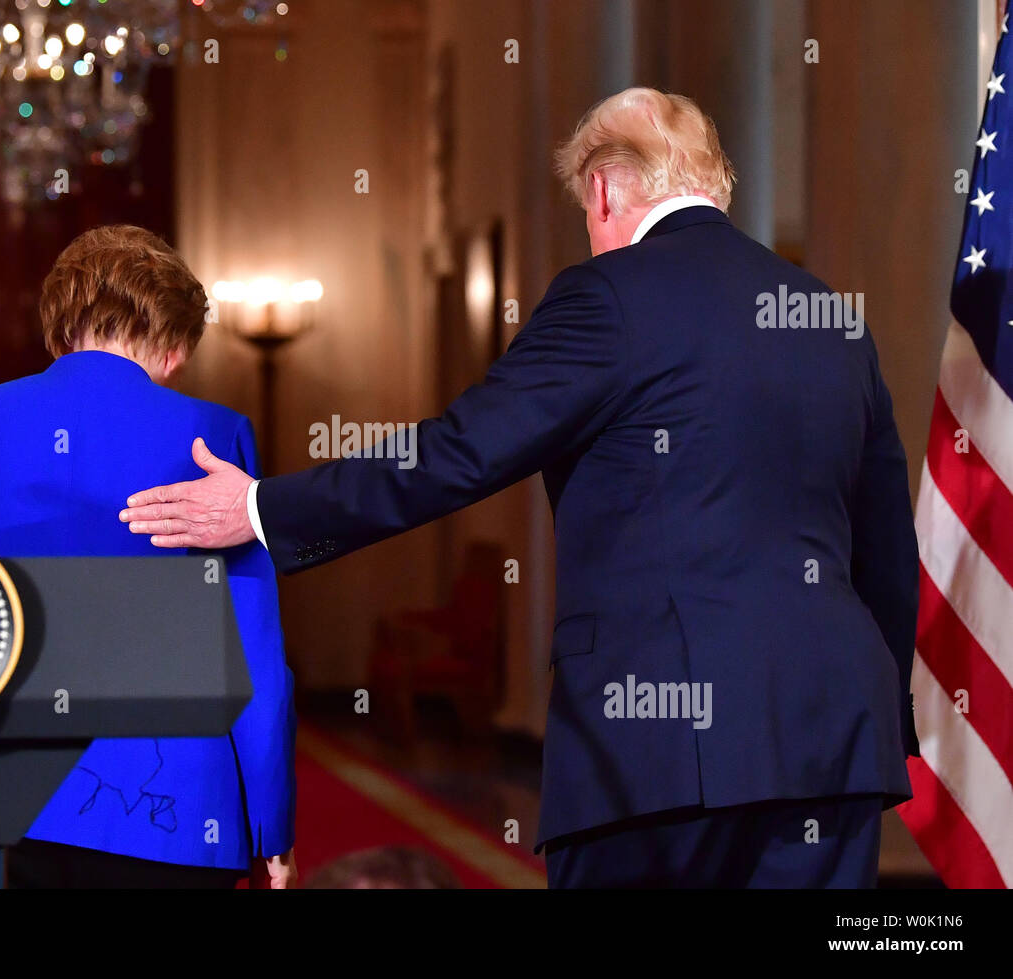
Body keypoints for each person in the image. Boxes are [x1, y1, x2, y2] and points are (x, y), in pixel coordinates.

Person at [120, 89, 920, 888]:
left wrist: (259, 508)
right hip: (837, 742)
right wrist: (881, 719)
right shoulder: (828, 315)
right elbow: (886, 542)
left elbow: (455, 454)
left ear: (605, 189)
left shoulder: (608, 296)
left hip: (662, 752)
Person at [0, 225, 296, 888]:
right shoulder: (215, 434)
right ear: (176, 346)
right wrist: (270, 821)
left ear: (56, 332)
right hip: (172, 808)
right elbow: (251, 647)